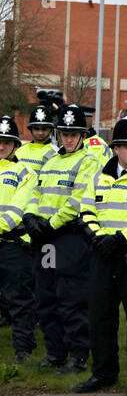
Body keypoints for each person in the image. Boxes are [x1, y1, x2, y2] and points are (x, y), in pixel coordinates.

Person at [77, 117, 127, 395]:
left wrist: (120, 238)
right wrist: (99, 238)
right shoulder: (98, 177)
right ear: (116, 148)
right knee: (100, 316)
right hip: (101, 255)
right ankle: (103, 373)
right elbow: (85, 212)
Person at [24, 104, 100, 373]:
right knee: (46, 296)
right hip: (44, 238)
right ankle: (55, 352)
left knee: (70, 297)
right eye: (64, 133)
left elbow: (77, 200)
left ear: (82, 134)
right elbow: (36, 191)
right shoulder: (51, 160)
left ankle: (78, 355)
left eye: (73, 134)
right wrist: (30, 216)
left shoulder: (89, 161)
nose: (68, 138)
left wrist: (51, 224)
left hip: (68, 237)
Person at [0, 116, 38, 362]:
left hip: (12, 245)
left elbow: (16, 211)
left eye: (6, 141)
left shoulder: (26, 173)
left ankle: (23, 349)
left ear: (15, 145)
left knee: (19, 300)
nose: (1, 146)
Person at [16, 103, 57, 175]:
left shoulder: (56, 153)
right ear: (31, 129)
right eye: (36, 129)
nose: (40, 132)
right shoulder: (20, 150)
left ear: (50, 130)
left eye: (44, 129)